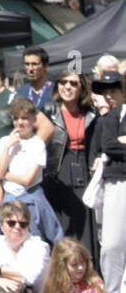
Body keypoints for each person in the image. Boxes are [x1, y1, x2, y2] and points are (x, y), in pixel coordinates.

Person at [0, 97, 62, 244]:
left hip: (31, 197)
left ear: (33, 120)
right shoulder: (4, 141)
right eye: (16, 118)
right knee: (9, 240)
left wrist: (6, 174)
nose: (20, 122)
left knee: (33, 239)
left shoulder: (37, 144)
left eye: (25, 118)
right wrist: (8, 147)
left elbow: (27, 180)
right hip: (10, 197)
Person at [43, 70, 97, 253]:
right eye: (63, 82)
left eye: (73, 83)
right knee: (64, 223)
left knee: (85, 221)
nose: (67, 86)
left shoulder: (91, 114)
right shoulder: (49, 112)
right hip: (59, 169)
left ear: (82, 87)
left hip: (85, 166)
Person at [88, 69, 126, 293]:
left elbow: (113, 148)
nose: (109, 95)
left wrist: (118, 145)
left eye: (114, 90)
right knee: (111, 243)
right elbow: (107, 146)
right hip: (116, 182)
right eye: (106, 91)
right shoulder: (109, 117)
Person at [16, 47, 55, 115]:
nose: (30, 69)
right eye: (27, 64)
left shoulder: (55, 91)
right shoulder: (20, 93)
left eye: (34, 64)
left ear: (45, 66)